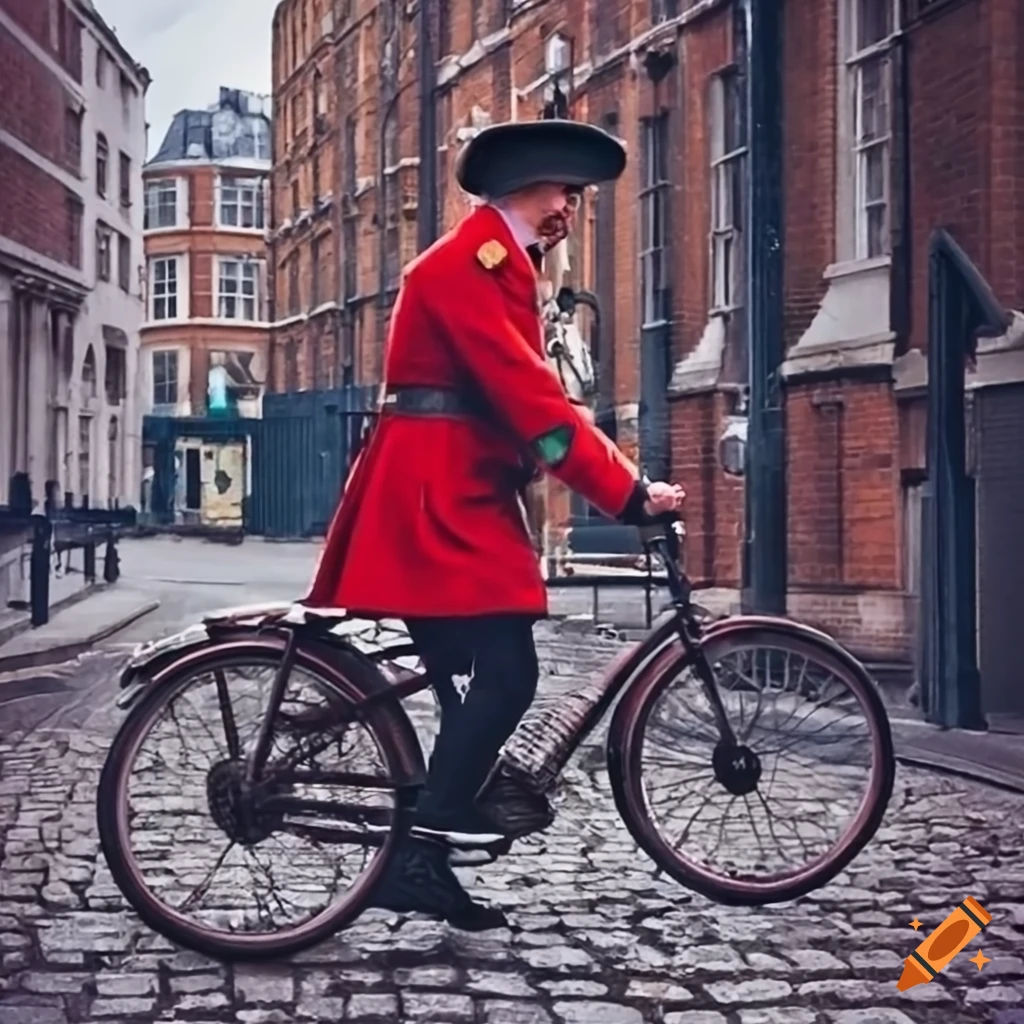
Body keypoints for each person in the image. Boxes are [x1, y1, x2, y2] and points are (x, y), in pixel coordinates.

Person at [304, 119, 685, 929]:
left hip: (453, 488)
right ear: (523, 186)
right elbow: (530, 402)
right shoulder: (471, 265)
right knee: (508, 672)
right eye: (563, 191)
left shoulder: (505, 263)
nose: (570, 208)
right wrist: (625, 493)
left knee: (466, 679)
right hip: (439, 496)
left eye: (576, 196)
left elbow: (527, 402)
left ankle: (431, 853)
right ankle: (426, 838)